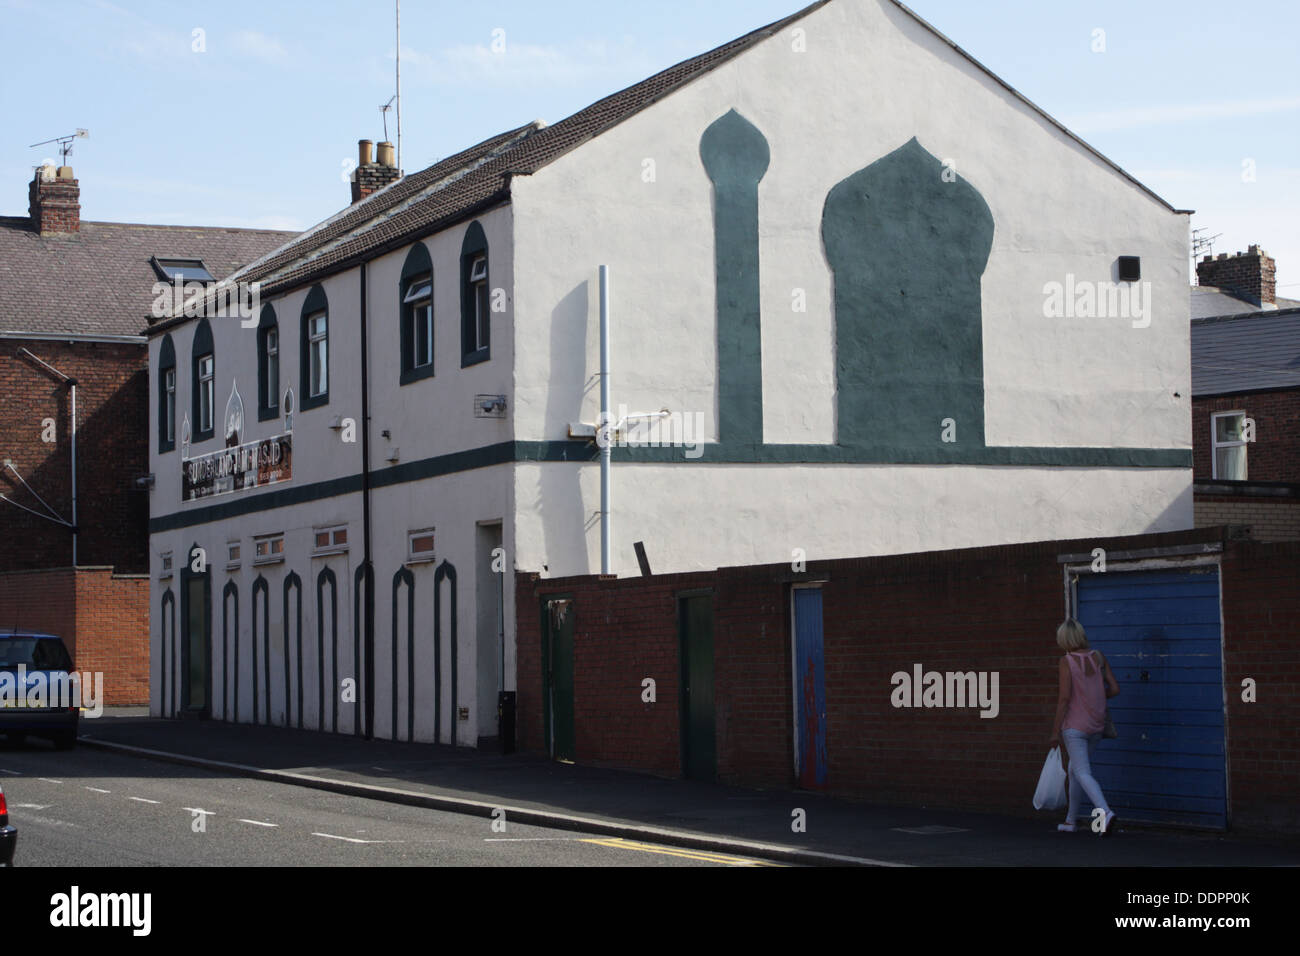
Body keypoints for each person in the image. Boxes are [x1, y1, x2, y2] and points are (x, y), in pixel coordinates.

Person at [1049, 618, 1120, 834]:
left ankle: (1105, 812)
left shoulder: (1066, 661)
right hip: (1096, 726)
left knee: (1081, 771)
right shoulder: (1098, 657)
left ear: (1064, 639)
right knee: (1075, 770)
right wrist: (1095, 696)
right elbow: (1115, 689)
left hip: (1075, 727)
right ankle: (1070, 821)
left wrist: (1054, 731)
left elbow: (1064, 698)